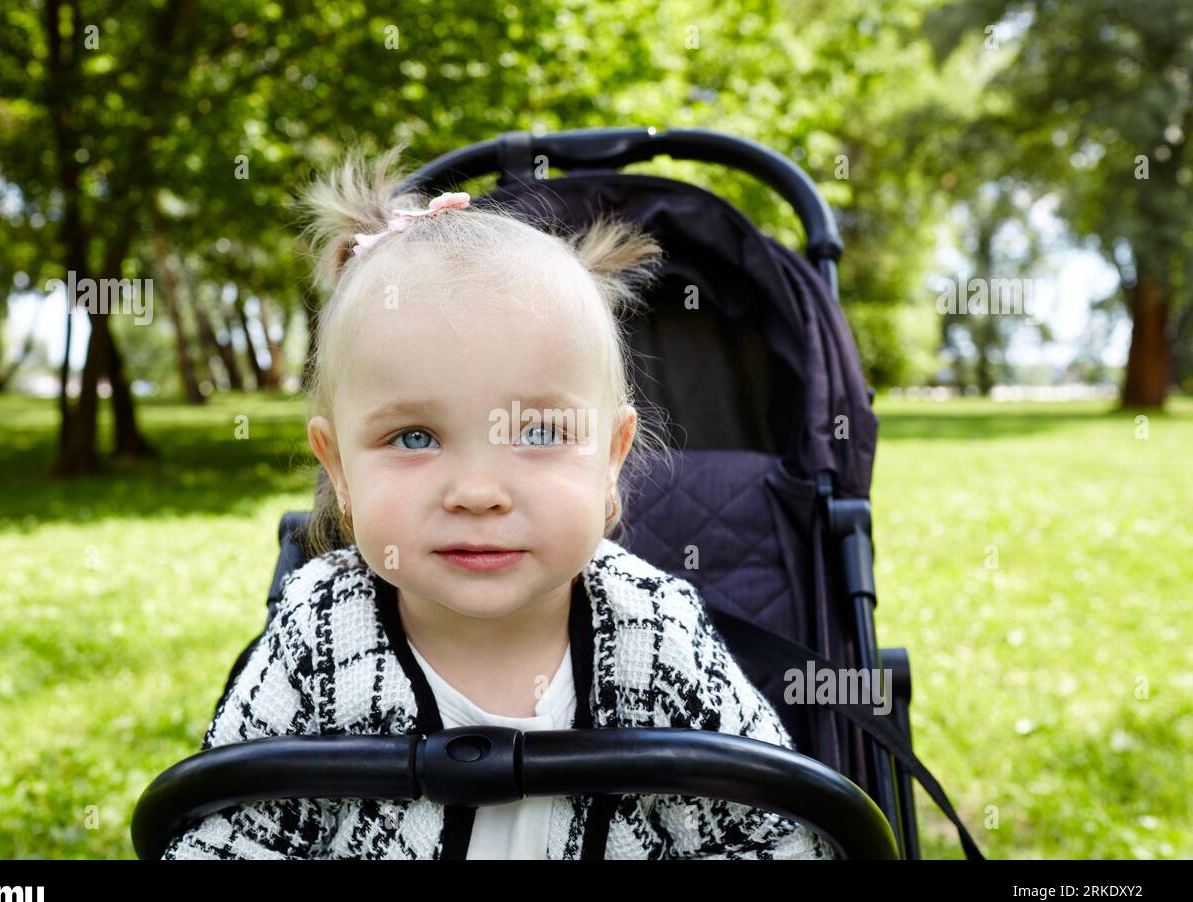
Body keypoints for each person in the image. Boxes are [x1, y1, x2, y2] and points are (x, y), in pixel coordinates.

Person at [160, 142, 835, 860]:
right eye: (415, 436)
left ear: (611, 457)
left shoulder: (655, 639)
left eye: (539, 431)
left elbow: (778, 838)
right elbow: (223, 840)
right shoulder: (318, 645)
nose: (478, 491)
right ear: (340, 471)